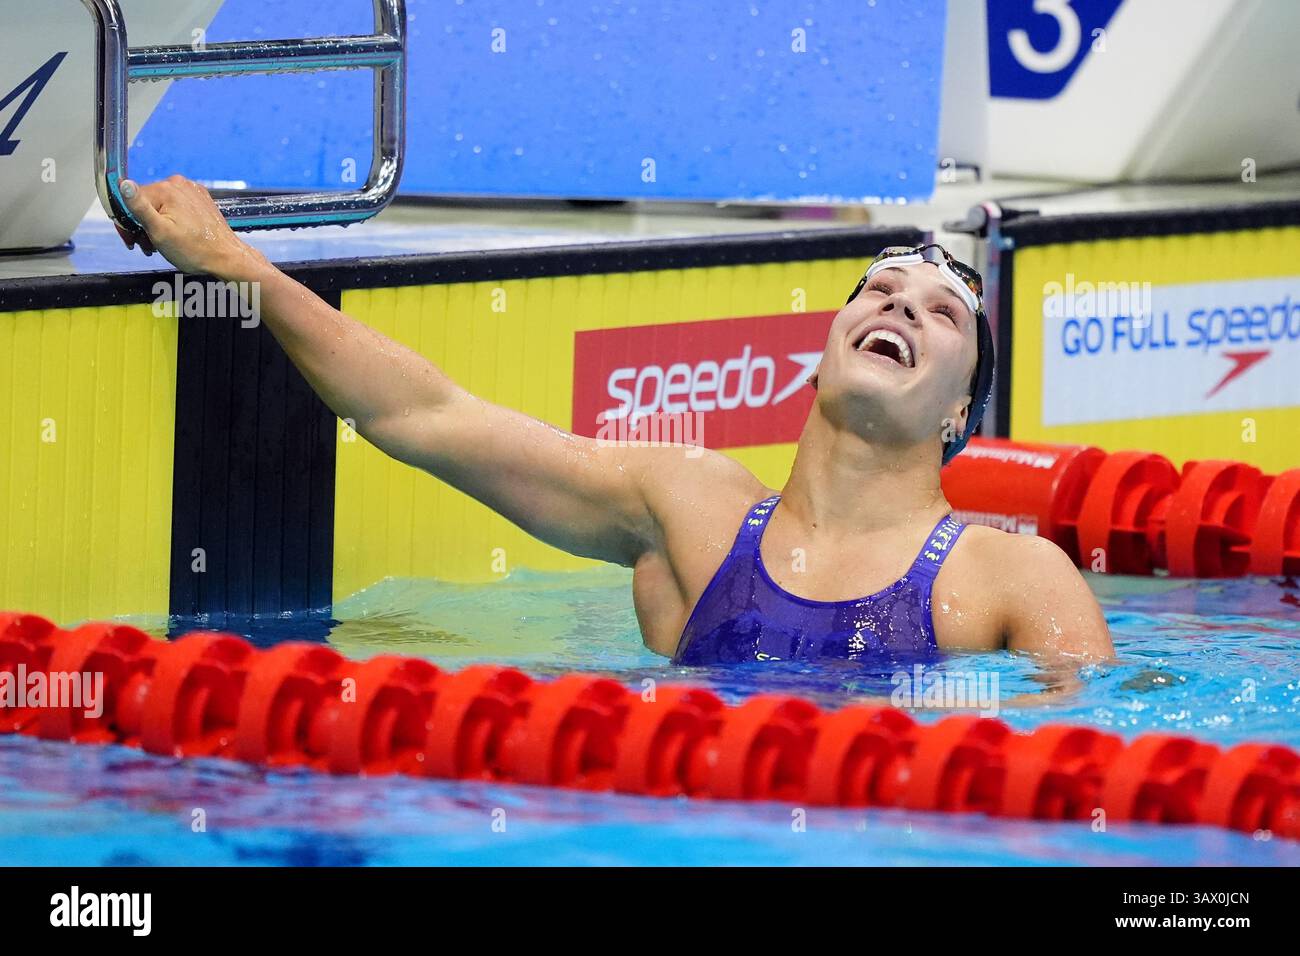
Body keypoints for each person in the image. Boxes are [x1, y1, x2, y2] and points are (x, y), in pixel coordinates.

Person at [117, 175, 1114, 667]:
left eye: (939, 313)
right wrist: (238, 264)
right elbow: (424, 412)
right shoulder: (686, 508)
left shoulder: (1015, 576)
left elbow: (1093, 792)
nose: (899, 306)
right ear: (820, 352)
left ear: (956, 415)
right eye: (878, 290)